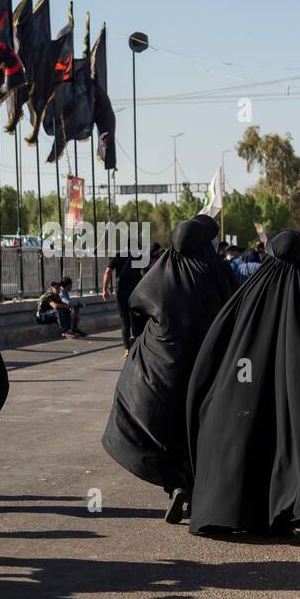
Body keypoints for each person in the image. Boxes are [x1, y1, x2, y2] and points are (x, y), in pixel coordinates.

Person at [187, 230, 300, 536]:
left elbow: (220, 338)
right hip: (287, 395)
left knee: (244, 439)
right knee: (280, 442)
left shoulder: (254, 288)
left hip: (244, 384)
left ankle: (228, 513)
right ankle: (279, 513)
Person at [102, 215, 236, 523]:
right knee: (203, 428)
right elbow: (234, 309)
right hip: (209, 364)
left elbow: (137, 305)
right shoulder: (219, 270)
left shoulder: (162, 270)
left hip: (165, 367)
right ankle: (198, 489)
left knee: (167, 425)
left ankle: (175, 485)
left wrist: (139, 337)